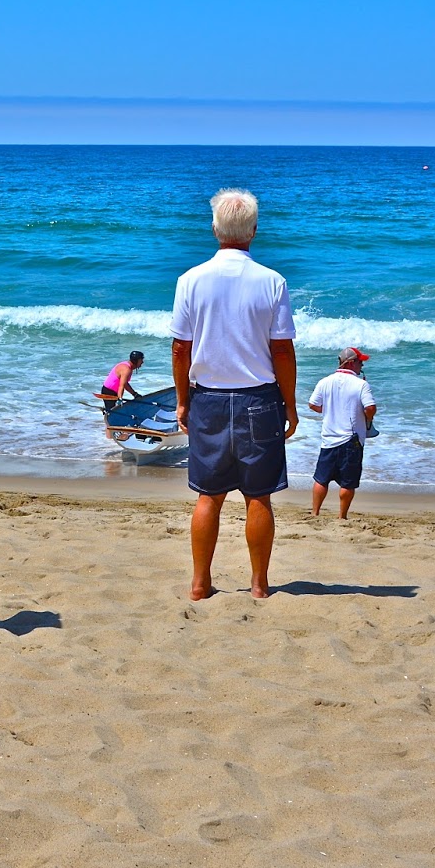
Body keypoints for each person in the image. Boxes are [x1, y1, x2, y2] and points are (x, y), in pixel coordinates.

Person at [170, 188, 297, 601]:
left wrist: (182, 401)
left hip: (207, 397)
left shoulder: (190, 280)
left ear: (214, 229)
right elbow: (281, 349)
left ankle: (200, 584)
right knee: (258, 496)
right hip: (258, 400)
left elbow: (180, 347)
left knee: (210, 496)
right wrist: (290, 404)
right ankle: (259, 585)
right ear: (254, 231)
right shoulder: (272, 281)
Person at [308, 348, 377, 519]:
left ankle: (315, 512)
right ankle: (342, 516)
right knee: (348, 481)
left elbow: (313, 404)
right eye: (360, 362)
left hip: (329, 438)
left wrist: (329, 411)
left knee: (321, 479)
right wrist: (366, 418)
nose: (362, 365)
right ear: (351, 362)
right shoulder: (361, 384)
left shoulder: (325, 381)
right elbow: (370, 408)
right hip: (351, 439)